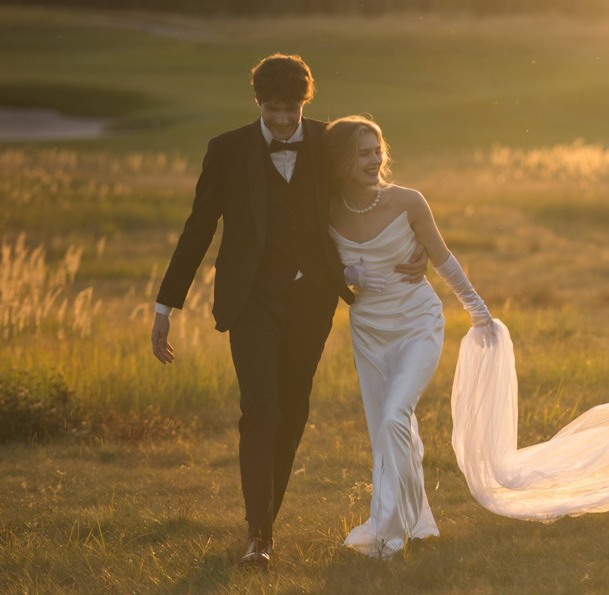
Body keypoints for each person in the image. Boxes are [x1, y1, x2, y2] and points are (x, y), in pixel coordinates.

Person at [322, 115, 609, 558]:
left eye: (376, 150)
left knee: (393, 418)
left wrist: (479, 312)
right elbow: (312, 261)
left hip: (417, 323)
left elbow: (443, 259)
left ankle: (387, 533)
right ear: (342, 161)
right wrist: (344, 271)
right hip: (368, 330)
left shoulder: (408, 201)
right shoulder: (324, 209)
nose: (373, 159)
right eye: (362, 152)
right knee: (388, 427)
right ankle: (416, 520)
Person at [149, 55, 426, 570]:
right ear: (258, 102)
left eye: (291, 109)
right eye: (272, 109)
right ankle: (260, 536)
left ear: (307, 100)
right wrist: (166, 305)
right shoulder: (226, 151)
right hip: (250, 302)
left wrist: (415, 242)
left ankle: (263, 522)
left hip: (312, 300)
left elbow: (372, 190)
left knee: (293, 410)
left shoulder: (328, 142)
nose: (282, 120)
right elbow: (198, 230)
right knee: (261, 407)